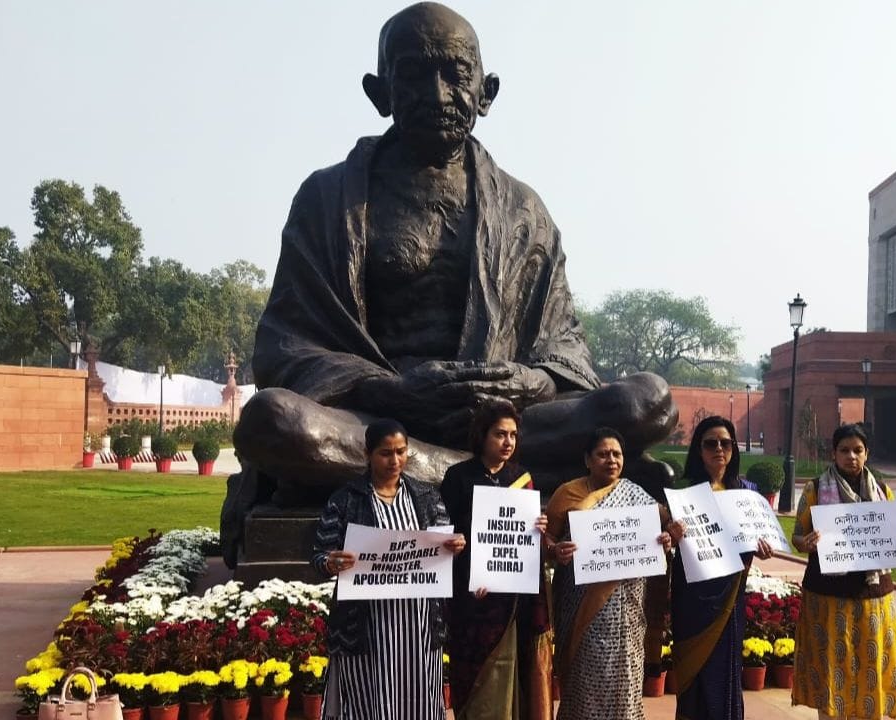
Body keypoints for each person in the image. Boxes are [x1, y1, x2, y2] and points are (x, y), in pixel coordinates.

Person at [222, 1, 677, 546]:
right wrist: (393, 391)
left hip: (505, 419)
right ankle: (489, 481)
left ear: (486, 92)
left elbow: (564, 347)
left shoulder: (523, 210)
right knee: (273, 422)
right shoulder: (328, 200)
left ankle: (433, 475)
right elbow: (285, 347)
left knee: (647, 399)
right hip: (378, 415)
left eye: (455, 74)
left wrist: (534, 380)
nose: (436, 94)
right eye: (413, 74)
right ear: (379, 91)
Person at [312, 419, 467, 720]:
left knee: (419, 699)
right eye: (385, 453)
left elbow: (441, 549)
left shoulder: (426, 497)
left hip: (418, 625)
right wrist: (331, 562)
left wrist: (454, 546)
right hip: (366, 627)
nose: (395, 461)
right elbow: (319, 555)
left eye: (401, 452)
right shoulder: (345, 500)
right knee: (368, 701)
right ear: (368, 453)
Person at [791, 424, 896, 720]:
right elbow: (797, 536)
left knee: (870, 662)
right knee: (830, 667)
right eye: (844, 450)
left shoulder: (883, 492)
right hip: (827, 595)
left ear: (867, 453)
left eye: (858, 450)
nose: (851, 456)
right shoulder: (814, 490)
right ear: (833, 454)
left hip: (872, 594)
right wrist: (806, 543)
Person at [545, 428, 673, 720]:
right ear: (588, 459)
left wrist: (668, 537)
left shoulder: (634, 494)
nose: (611, 460)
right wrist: (555, 550)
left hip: (627, 609)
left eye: (617, 454)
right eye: (603, 454)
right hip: (581, 607)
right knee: (585, 680)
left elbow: (667, 522)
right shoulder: (568, 493)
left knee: (626, 674)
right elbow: (545, 539)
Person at [439, 400, 553, 720]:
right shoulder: (458, 476)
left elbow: (528, 541)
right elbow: (444, 534)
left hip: (514, 600)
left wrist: (539, 528)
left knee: (514, 674)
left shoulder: (522, 478)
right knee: (476, 678)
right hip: (473, 597)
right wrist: (459, 558)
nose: (508, 442)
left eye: (513, 435)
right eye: (500, 434)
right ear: (482, 436)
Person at [665, 416, 773, 720]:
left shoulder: (746, 492)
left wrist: (762, 549)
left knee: (724, 670)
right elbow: (664, 541)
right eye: (710, 443)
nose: (718, 449)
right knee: (693, 672)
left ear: (734, 449)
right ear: (699, 450)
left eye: (725, 443)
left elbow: (754, 539)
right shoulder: (682, 492)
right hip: (692, 594)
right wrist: (670, 535)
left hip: (729, 595)